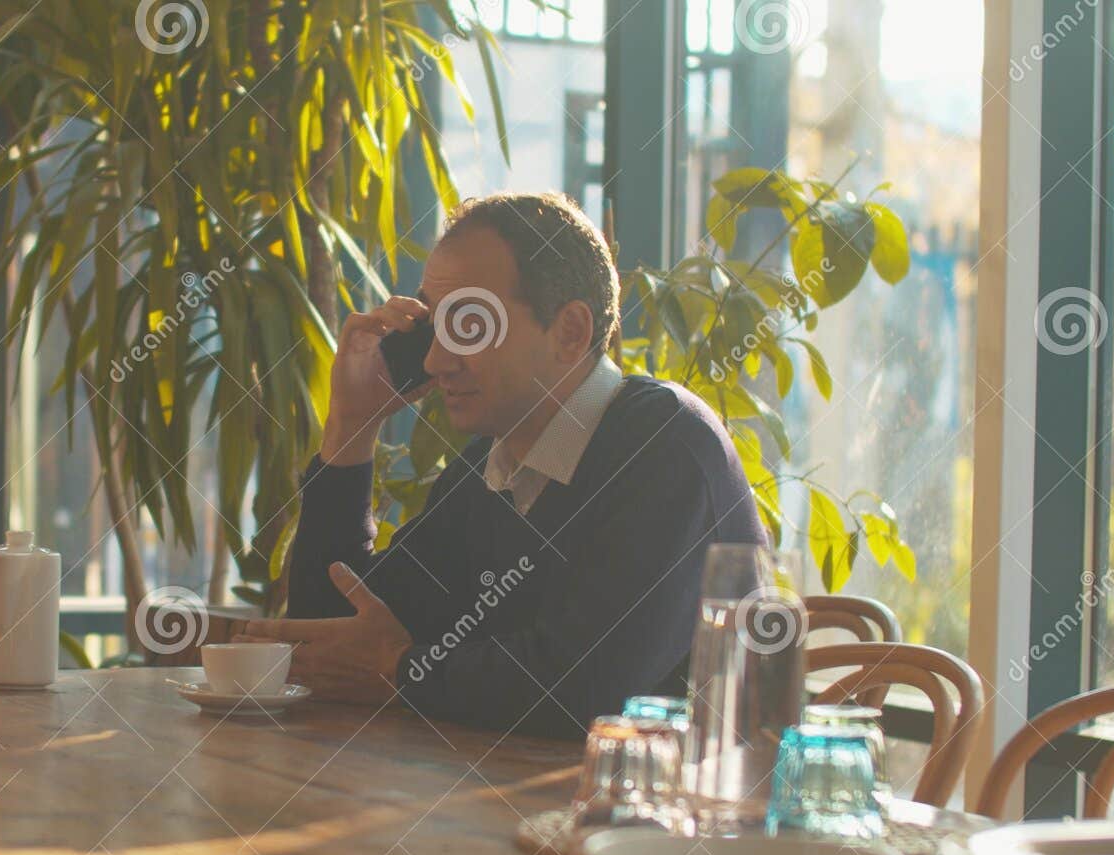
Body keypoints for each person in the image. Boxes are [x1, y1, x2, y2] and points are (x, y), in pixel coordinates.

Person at [240, 192, 767, 738]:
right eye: (434, 325)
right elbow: (330, 637)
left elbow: (585, 689)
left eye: (469, 325)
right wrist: (350, 427)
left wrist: (398, 668)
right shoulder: (487, 471)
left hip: (673, 816)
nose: (434, 360)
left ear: (570, 332)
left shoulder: (666, 447)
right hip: (510, 809)